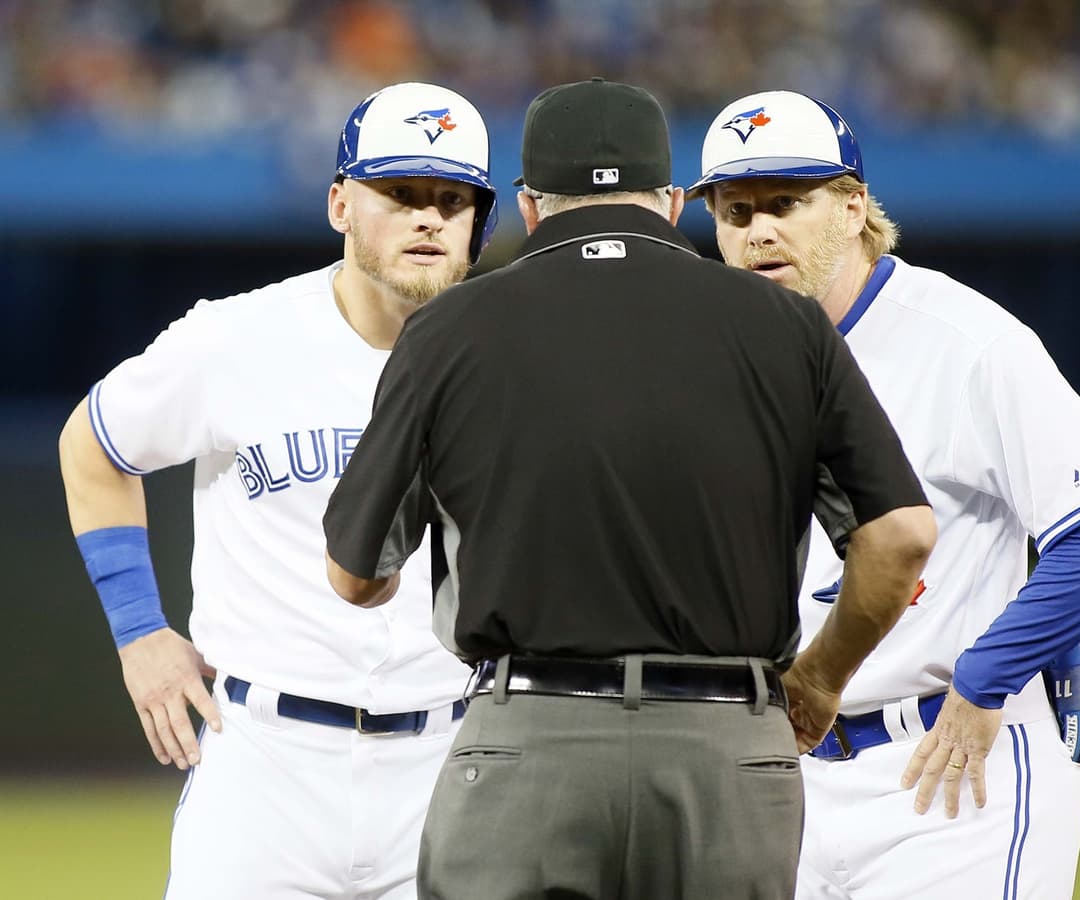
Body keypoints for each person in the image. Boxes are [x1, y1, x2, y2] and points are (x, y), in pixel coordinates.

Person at [323, 77, 936, 900]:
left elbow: (356, 574)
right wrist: (821, 679)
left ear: (531, 206)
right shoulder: (788, 327)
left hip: (526, 745)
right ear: (676, 200)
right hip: (728, 747)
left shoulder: (449, 330)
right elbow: (900, 536)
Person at [688, 89, 1080, 899]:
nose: (758, 229)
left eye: (786, 203)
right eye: (735, 210)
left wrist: (985, 682)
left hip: (952, 760)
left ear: (853, 206)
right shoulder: (720, 358)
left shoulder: (965, 341)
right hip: (790, 770)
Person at [58, 81, 498, 899]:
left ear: (480, 220)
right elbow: (92, 445)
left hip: (449, 762)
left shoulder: (512, 362)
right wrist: (138, 631)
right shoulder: (235, 339)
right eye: (399, 193)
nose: (428, 218)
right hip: (265, 765)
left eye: (451, 198)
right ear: (340, 203)